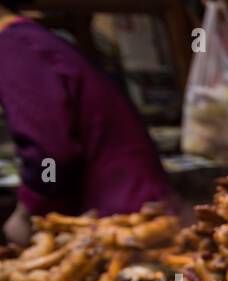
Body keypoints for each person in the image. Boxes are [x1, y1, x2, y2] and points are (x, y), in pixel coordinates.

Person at [0, 6, 171, 244]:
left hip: (125, 222)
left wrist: (28, 212)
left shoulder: (15, 48)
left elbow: (51, 154)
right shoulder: (28, 40)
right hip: (133, 213)